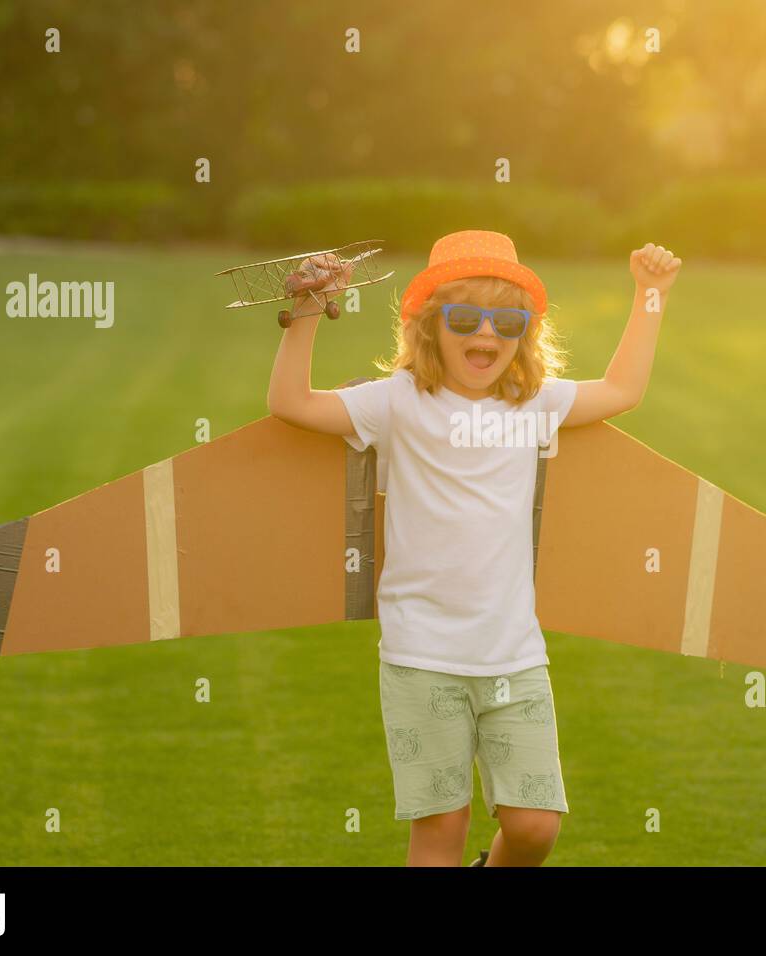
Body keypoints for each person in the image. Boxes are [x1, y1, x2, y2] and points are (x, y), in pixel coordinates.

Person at [267, 230, 681, 865]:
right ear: (430, 327)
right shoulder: (398, 402)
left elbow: (622, 391)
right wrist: (303, 314)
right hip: (421, 657)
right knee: (440, 833)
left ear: (523, 335)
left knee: (536, 827)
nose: (485, 334)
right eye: (464, 317)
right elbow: (290, 404)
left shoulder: (533, 404)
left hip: (513, 657)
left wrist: (650, 295)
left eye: (507, 321)